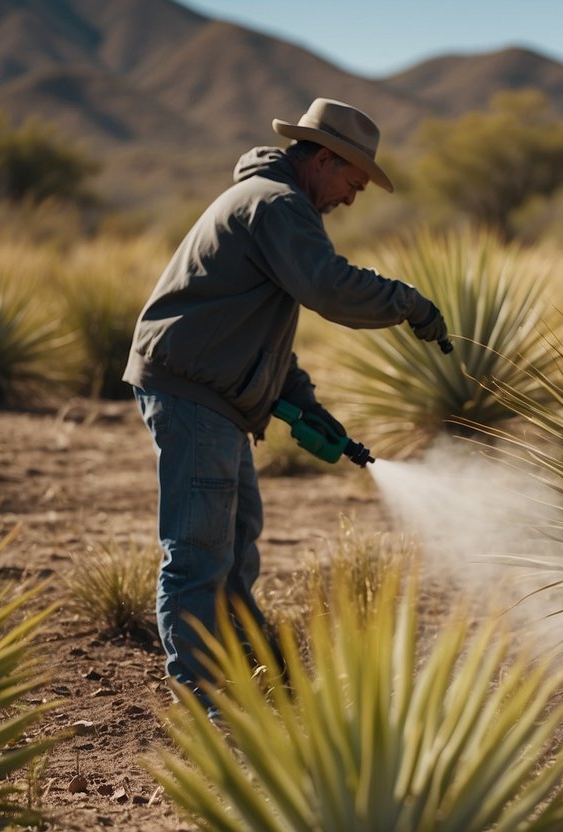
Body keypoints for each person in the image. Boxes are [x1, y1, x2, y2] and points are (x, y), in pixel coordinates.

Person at [124, 97, 448, 704]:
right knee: (198, 553)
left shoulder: (270, 202)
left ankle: (248, 665)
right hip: (194, 396)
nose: (352, 199)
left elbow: (254, 328)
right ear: (323, 159)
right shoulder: (278, 205)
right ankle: (202, 694)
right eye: (352, 182)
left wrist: (299, 399)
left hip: (212, 395)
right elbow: (328, 288)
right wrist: (408, 302)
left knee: (236, 539)